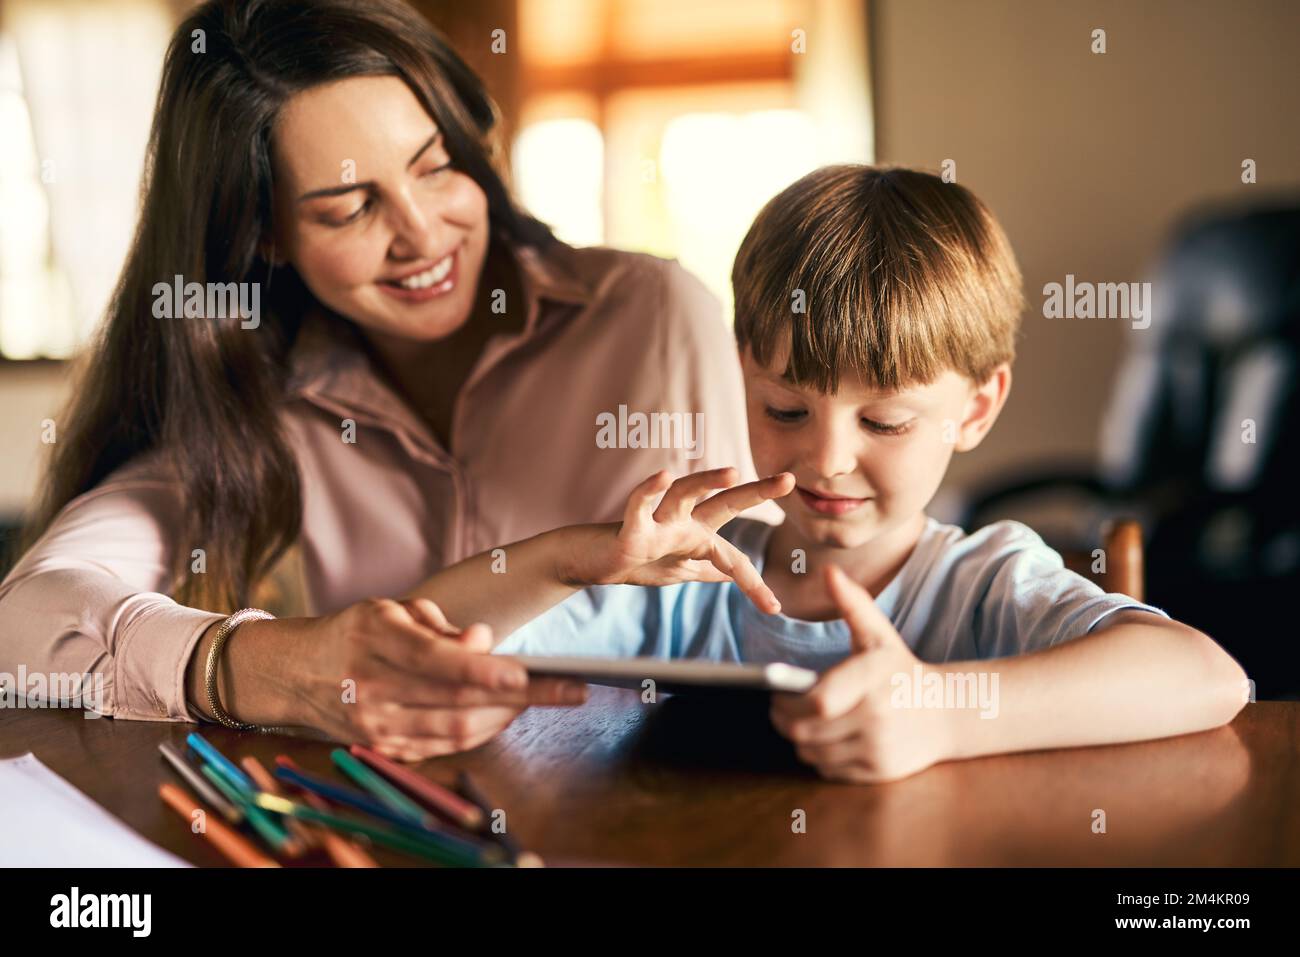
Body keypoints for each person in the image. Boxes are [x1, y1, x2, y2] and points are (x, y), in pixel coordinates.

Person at [0, 0, 768, 760]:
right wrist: (269, 668)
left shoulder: (654, 319)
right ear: (265, 234)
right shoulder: (253, 396)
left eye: (435, 167)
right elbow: (24, 623)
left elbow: (752, 608)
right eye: (349, 209)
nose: (423, 234)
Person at [409, 166, 1249, 782]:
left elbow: (1207, 676)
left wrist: (940, 713)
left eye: (883, 420)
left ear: (978, 407)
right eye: (784, 410)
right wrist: (575, 557)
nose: (826, 458)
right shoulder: (693, 576)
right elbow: (421, 639)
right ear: (743, 371)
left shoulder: (984, 583)